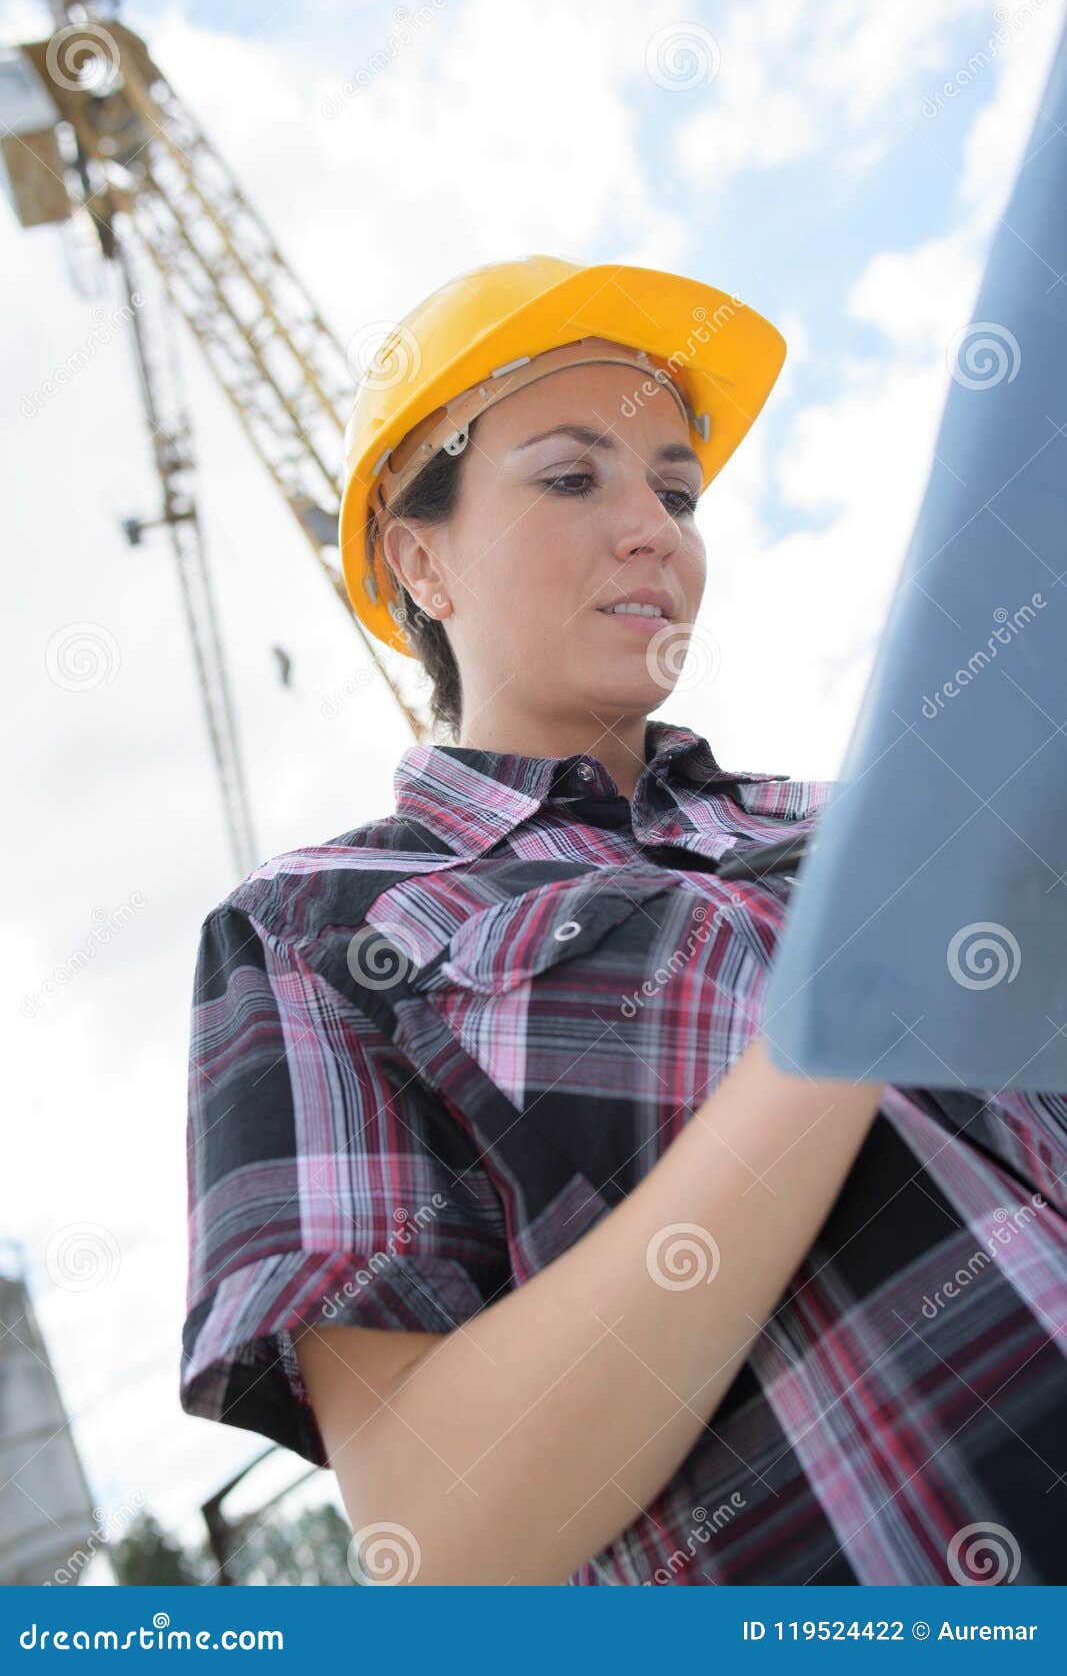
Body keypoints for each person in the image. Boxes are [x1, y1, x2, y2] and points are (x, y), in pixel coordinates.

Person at [180, 255, 1067, 1587]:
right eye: (572, 474)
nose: (654, 526)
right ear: (418, 556)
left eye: (677, 489)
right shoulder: (309, 931)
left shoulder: (853, 811)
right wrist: (845, 997)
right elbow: (445, 1534)